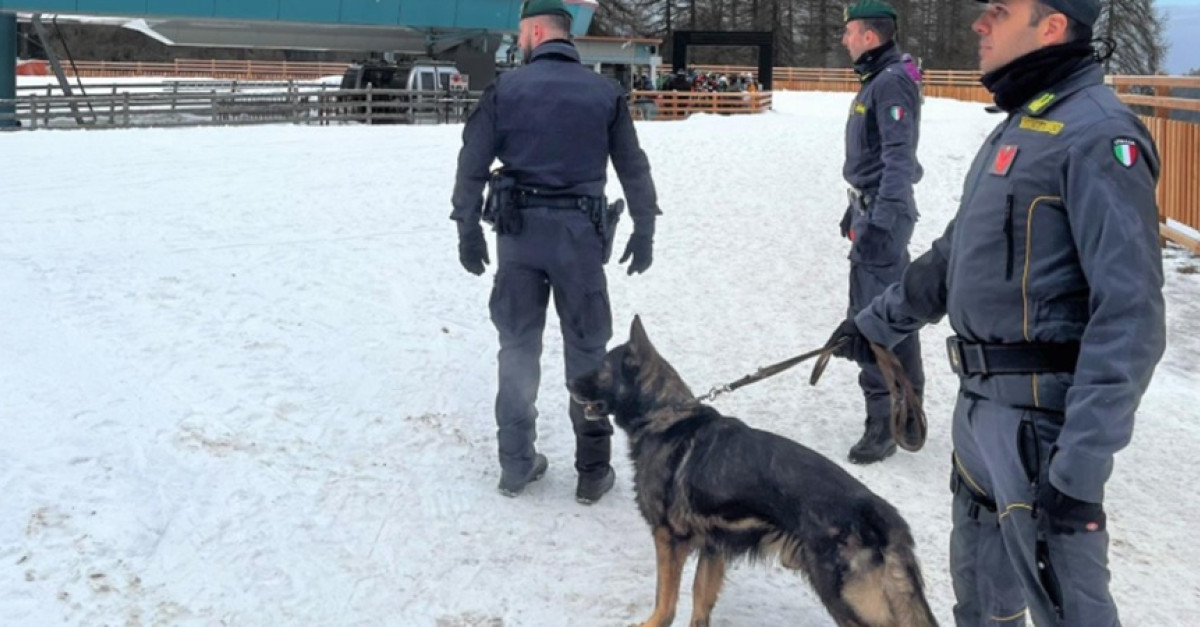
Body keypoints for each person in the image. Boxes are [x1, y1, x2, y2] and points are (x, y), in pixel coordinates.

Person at [825, 0, 1165, 623]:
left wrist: (1081, 465)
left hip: (1041, 427)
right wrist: (873, 323)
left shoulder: (1097, 135)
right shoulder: (1022, 123)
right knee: (981, 598)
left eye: (1000, 12)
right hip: (981, 412)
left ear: (1052, 26)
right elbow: (954, 255)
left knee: (1070, 607)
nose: (980, 24)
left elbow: (1132, 314)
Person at [450, 0, 660, 504]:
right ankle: (592, 470)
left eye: (522, 32)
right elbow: (633, 165)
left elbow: (471, 163)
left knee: (517, 348)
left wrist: (467, 227)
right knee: (587, 351)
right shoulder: (603, 92)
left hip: (518, 235)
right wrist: (644, 227)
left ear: (538, 31)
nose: (518, 40)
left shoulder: (506, 90)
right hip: (579, 237)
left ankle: (516, 464)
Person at [837, 0, 926, 464]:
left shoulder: (890, 82)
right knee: (893, 312)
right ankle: (906, 409)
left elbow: (898, 159)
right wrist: (854, 206)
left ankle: (884, 421)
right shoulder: (878, 79)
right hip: (870, 209)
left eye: (849, 32)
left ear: (870, 36)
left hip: (882, 217)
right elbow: (874, 158)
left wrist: (881, 220)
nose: (844, 39)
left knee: (871, 318)